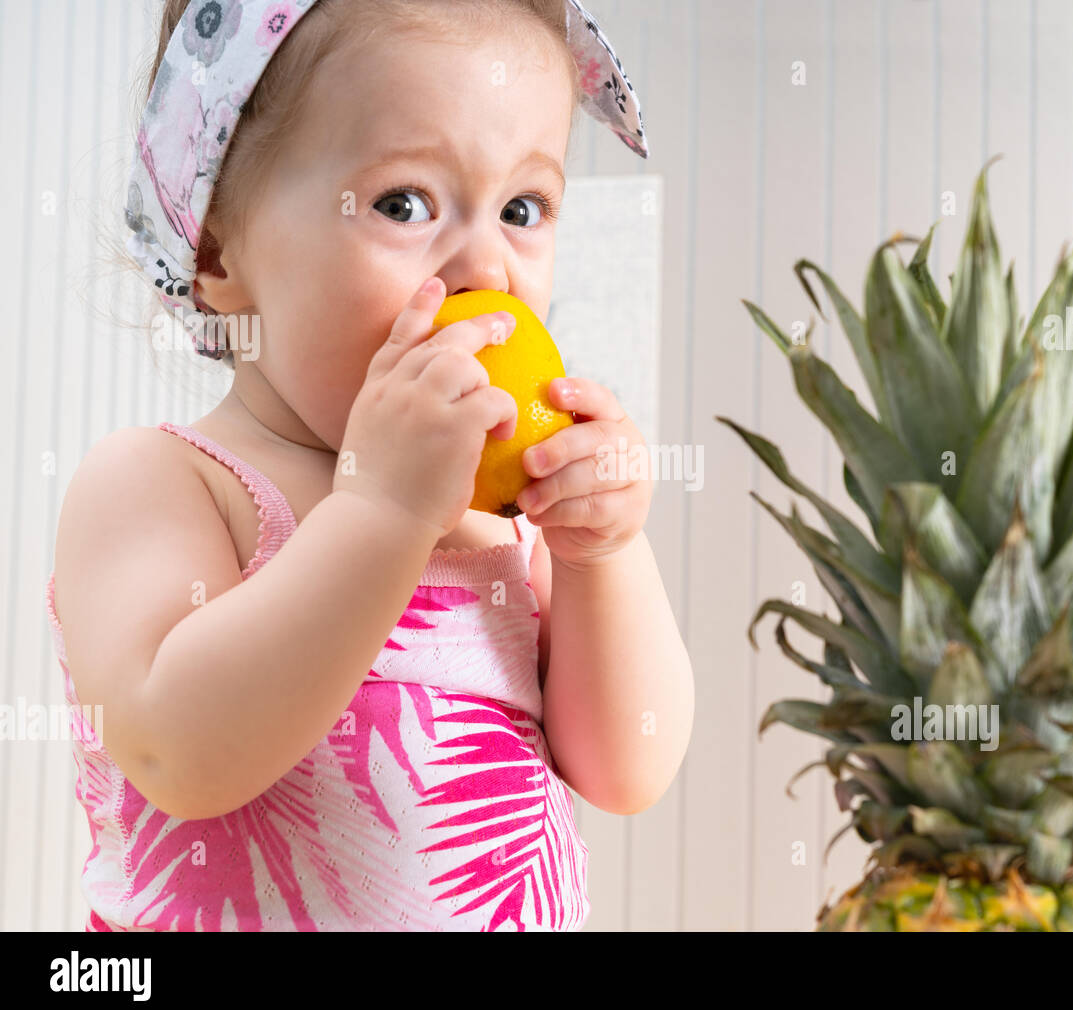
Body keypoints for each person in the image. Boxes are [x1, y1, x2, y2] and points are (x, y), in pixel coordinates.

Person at [45, 0, 692, 932]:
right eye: (404, 203)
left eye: (523, 209)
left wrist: (604, 555)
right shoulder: (167, 483)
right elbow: (177, 752)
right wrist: (381, 512)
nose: (488, 269)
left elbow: (629, 767)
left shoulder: (511, 525)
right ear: (218, 249)